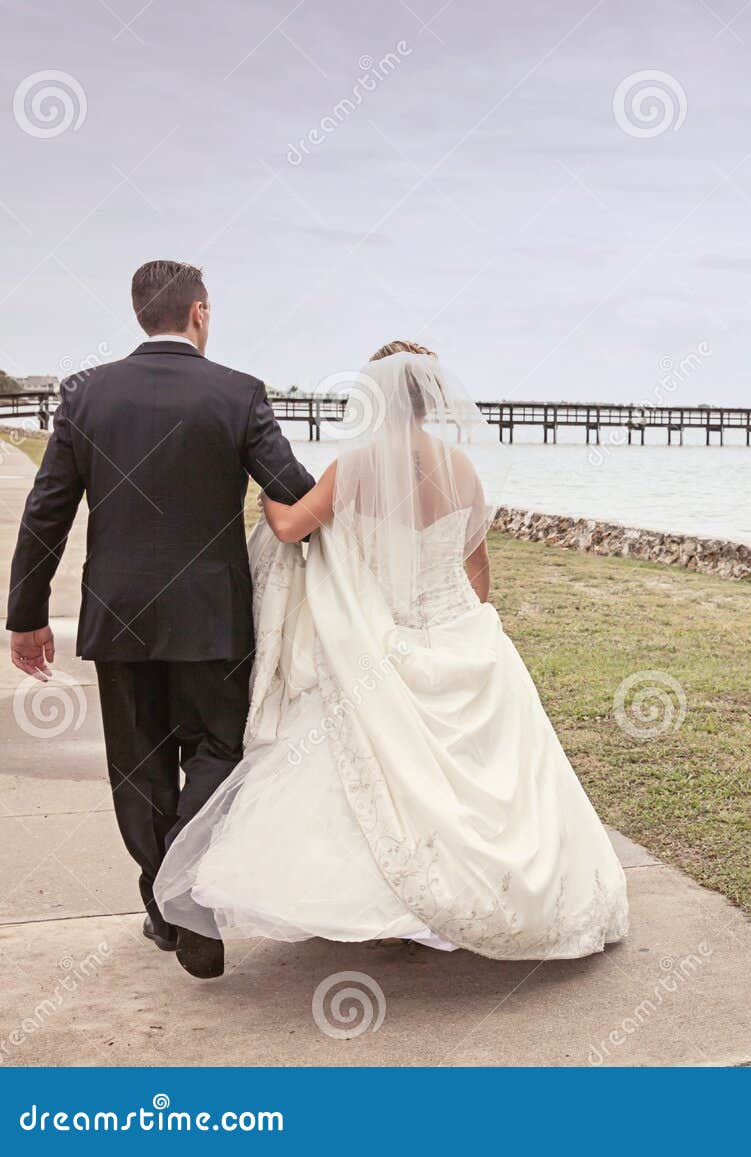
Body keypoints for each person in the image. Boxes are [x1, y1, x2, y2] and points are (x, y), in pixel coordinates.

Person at [154, 347, 629, 961]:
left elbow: (289, 528)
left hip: (380, 639)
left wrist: (266, 490)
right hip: (459, 628)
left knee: (369, 773)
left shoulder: (353, 470)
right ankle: (494, 899)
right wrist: (467, 624)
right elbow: (476, 565)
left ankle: (390, 910)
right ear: (432, 401)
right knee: (491, 782)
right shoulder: (461, 469)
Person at [5, 260, 315, 978]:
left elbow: (48, 507)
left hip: (121, 614)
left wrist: (26, 613)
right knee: (218, 749)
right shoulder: (237, 393)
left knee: (139, 766)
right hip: (212, 616)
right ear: (198, 313)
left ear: (142, 313)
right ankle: (190, 893)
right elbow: (293, 492)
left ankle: (167, 901)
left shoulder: (86, 394)